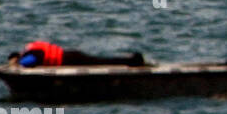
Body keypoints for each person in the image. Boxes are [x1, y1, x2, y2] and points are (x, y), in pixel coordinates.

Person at [9, 41, 145, 68]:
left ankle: (132, 61)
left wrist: (17, 63)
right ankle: (131, 60)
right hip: (71, 55)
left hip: (70, 60)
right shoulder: (32, 48)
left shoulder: (30, 54)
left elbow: (28, 62)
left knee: (101, 63)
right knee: (100, 61)